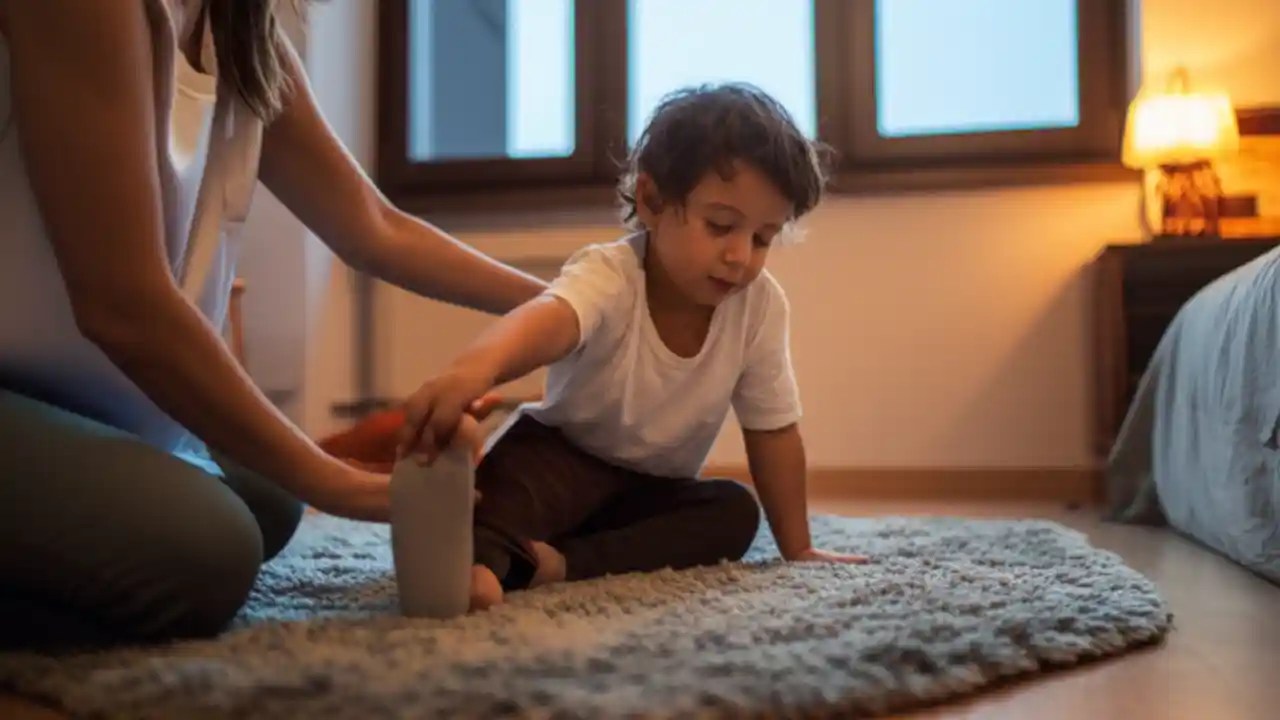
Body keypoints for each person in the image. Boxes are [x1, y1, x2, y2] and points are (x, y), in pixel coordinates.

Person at [0, 0, 545, 651]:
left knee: (268, 502)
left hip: (78, 397)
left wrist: (566, 309)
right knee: (209, 551)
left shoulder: (238, 27)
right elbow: (122, 304)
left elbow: (374, 228)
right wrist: (330, 480)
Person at [398, 83, 869, 611]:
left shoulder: (759, 306)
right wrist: (473, 371)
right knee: (497, 494)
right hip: (559, 460)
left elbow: (774, 431)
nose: (741, 255)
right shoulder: (610, 273)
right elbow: (549, 320)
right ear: (652, 201)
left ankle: (561, 564)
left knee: (733, 514)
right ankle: (486, 562)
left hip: (653, 488)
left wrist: (798, 546)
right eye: (720, 226)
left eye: (762, 238)